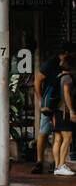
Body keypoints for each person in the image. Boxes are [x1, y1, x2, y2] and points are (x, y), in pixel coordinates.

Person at [35, 45, 73, 174]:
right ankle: (42, 161)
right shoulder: (51, 64)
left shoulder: (64, 72)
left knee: (57, 135)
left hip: (55, 104)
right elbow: (37, 80)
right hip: (52, 104)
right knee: (46, 132)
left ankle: (57, 165)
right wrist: (41, 100)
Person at [55, 59, 76, 176]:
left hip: (58, 110)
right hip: (64, 111)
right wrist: (71, 110)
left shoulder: (59, 77)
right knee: (68, 138)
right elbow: (66, 93)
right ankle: (61, 165)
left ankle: (58, 166)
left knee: (60, 138)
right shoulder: (67, 78)